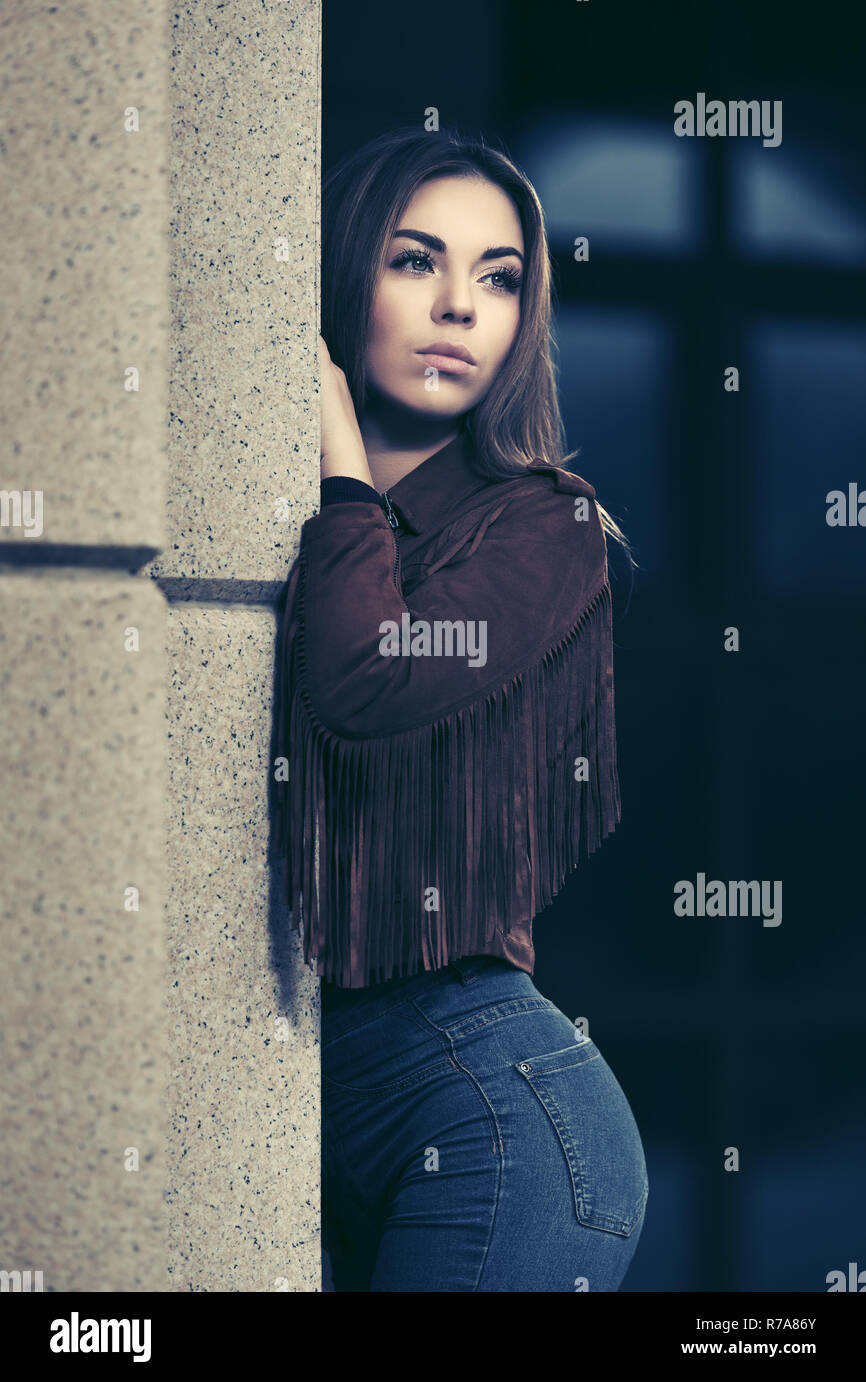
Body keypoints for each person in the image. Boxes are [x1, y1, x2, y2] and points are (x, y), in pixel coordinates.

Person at [271, 125, 647, 1291]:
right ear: (344, 270)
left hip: (495, 1113)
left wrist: (343, 476)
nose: (457, 307)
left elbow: (366, 680)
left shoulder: (543, 525)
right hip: (319, 1100)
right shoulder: (251, 490)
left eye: (498, 279)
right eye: (412, 260)